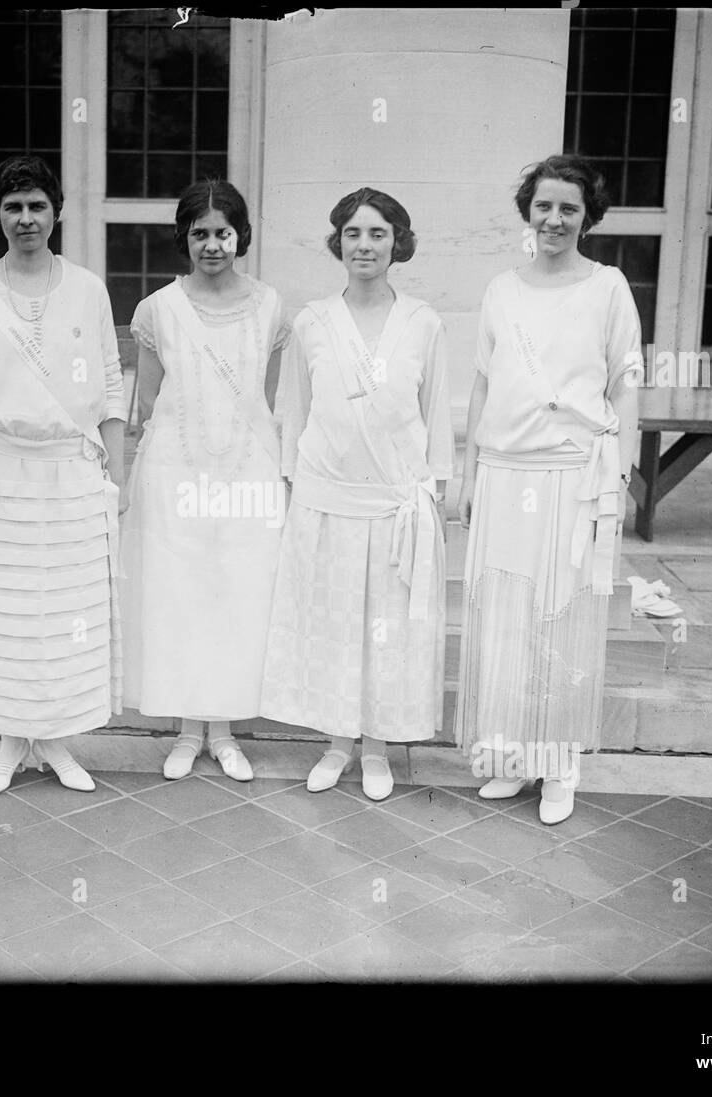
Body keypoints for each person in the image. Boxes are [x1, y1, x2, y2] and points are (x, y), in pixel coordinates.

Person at [455, 154, 642, 825]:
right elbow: (481, 381)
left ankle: (558, 763)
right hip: (507, 472)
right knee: (506, 619)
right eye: (544, 206)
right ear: (527, 213)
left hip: (572, 477)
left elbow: (626, 381)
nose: (555, 219)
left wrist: (618, 474)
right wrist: (471, 469)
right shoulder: (503, 288)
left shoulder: (608, 287)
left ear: (588, 214)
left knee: (560, 618)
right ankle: (514, 758)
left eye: (568, 207)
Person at [0, 154, 128, 799]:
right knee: (4, 612)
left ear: (57, 213)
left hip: (68, 473)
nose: (26, 219)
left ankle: (53, 741)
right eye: (13, 207)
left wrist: (114, 480)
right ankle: (10, 743)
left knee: (62, 612)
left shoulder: (88, 289)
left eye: (37, 206)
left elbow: (108, 387)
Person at [260, 188, 453, 801]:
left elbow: (435, 414)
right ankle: (338, 742)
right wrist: (293, 485)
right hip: (328, 500)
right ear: (337, 242)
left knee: (386, 632)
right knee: (338, 628)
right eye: (352, 233)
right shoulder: (313, 321)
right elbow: (292, 411)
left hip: (394, 502)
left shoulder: (423, 322)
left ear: (398, 242)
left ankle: (376, 748)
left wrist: (436, 489)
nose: (364, 245)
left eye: (377, 233)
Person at [121, 179, 291, 781]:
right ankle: (187, 731)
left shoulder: (270, 307)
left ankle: (224, 732)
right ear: (184, 239)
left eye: (223, 232)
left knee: (234, 598)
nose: (212, 245)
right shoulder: (158, 309)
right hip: (176, 473)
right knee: (181, 596)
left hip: (246, 475)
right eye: (200, 233)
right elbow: (147, 400)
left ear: (240, 235)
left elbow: (266, 403)